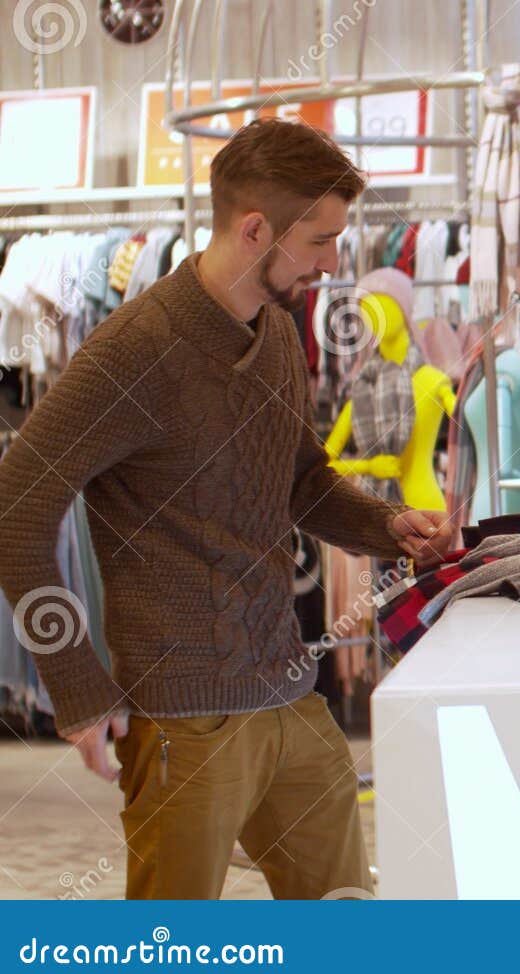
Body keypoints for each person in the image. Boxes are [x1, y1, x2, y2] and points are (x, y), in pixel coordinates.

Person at [0, 118, 455, 899]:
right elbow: (15, 511)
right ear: (254, 231)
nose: (333, 262)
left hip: (289, 697)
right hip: (184, 722)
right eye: (319, 241)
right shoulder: (132, 351)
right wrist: (75, 686)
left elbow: (301, 481)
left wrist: (386, 528)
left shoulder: (277, 333)